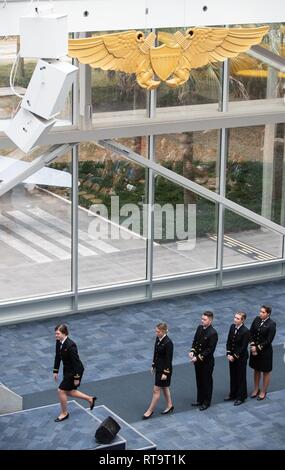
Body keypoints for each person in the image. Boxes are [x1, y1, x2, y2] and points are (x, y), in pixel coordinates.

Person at [53, 324, 97, 422]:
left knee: (61, 391)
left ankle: (64, 413)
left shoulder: (71, 345)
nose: (56, 336)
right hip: (67, 370)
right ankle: (90, 399)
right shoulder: (58, 342)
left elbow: (76, 363)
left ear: (64, 333)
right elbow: (57, 356)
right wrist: (55, 371)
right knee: (69, 391)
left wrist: (76, 378)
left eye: (58, 334)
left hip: (75, 371)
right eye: (55, 334)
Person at [142, 322, 174, 419]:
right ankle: (170, 405)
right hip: (158, 368)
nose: (156, 333)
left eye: (158, 331)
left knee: (156, 390)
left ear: (163, 331)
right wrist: (153, 364)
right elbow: (156, 352)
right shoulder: (158, 339)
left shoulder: (168, 343)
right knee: (164, 387)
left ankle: (150, 411)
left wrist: (165, 372)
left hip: (164, 370)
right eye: (156, 331)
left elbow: (169, 359)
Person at [189, 311, 218, 411]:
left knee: (206, 382)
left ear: (210, 320)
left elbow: (210, 350)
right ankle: (200, 399)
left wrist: (197, 357)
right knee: (199, 380)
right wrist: (192, 351)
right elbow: (195, 341)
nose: (202, 321)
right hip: (198, 361)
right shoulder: (200, 328)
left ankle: (206, 402)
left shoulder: (213, 333)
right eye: (202, 319)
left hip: (206, 362)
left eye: (204, 319)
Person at [249, 305, 276, 400]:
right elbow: (251, 332)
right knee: (256, 369)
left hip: (265, 352)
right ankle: (256, 389)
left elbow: (269, 340)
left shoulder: (272, 324)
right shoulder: (256, 319)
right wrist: (252, 344)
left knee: (266, 371)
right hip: (254, 349)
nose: (260, 313)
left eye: (263, 312)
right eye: (260, 311)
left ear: (268, 314)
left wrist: (257, 348)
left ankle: (264, 391)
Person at [224, 312, 250, 405]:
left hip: (240, 358)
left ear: (243, 320)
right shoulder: (232, 327)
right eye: (235, 317)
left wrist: (234, 356)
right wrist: (228, 353)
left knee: (240, 377)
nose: (235, 319)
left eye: (238, 318)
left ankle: (241, 397)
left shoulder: (246, 331)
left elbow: (243, 347)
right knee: (233, 375)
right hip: (231, 357)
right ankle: (233, 394)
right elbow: (229, 341)